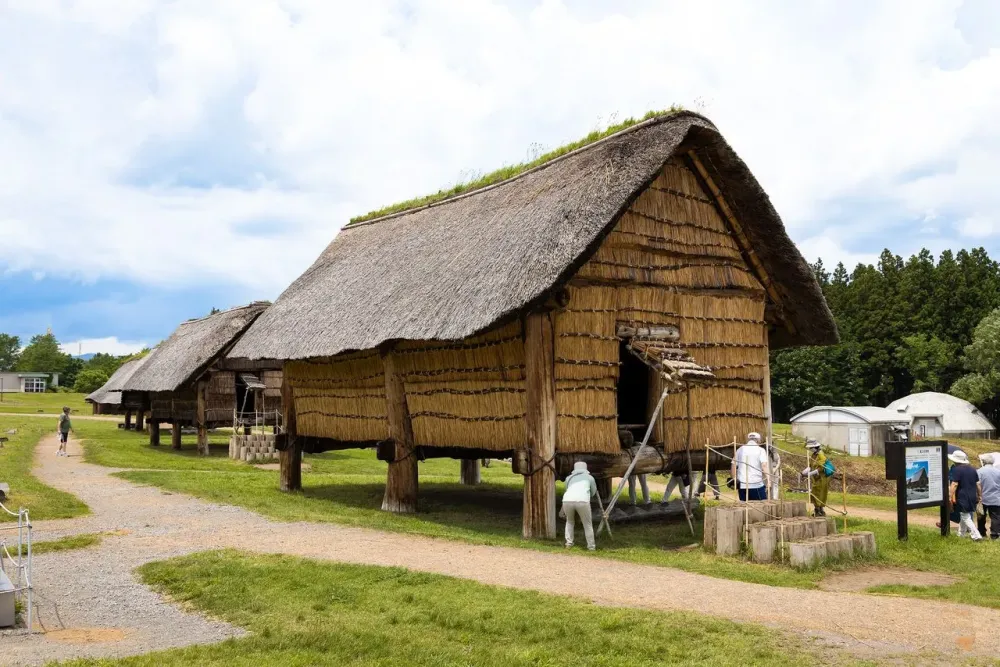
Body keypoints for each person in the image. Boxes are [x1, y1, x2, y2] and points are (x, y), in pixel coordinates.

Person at [562, 461, 598, 551]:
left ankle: (568, 543)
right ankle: (591, 547)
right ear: (585, 468)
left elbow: (567, 489)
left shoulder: (569, 478)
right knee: (587, 524)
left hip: (567, 500)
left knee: (569, 521)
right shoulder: (590, 478)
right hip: (583, 501)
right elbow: (593, 491)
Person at [949, 450, 983, 541]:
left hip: (962, 496)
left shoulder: (957, 470)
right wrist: (980, 495)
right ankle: (961, 534)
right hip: (972, 496)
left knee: (965, 516)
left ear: (956, 461)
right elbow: (978, 484)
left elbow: (954, 484)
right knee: (964, 514)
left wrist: (949, 495)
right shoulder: (972, 469)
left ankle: (976, 535)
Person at [732, 432, 769, 501]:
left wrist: (734, 479)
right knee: (761, 506)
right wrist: (769, 480)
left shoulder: (740, 449)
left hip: (742, 485)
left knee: (744, 507)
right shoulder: (761, 450)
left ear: (748, 439)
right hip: (756, 484)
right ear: (758, 440)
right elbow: (764, 466)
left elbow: (733, 465)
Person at [801, 439, 831, 517]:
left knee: (820, 494)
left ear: (815, 447)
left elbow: (820, 468)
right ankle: (817, 509)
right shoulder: (814, 455)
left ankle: (820, 511)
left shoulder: (821, 455)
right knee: (814, 493)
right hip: (816, 478)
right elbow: (811, 466)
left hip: (822, 478)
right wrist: (804, 472)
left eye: (811, 447)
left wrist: (810, 474)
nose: (810, 449)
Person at [977, 453, 1000, 540]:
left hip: (982, 497)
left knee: (981, 515)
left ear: (984, 462)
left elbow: (977, 484)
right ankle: (994, 534)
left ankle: (982, 532)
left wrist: (979, 495)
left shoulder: (979, 471)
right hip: (996, 497)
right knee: (995, 517)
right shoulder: (998, 471)